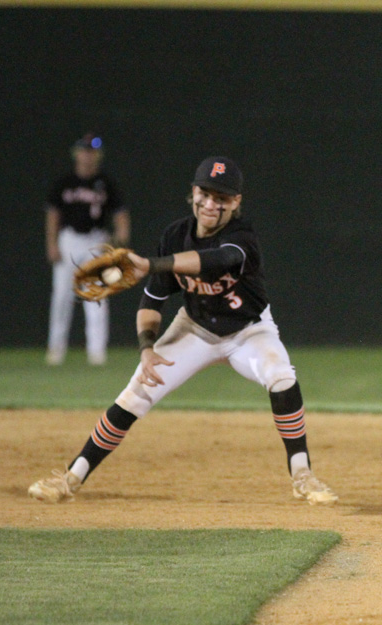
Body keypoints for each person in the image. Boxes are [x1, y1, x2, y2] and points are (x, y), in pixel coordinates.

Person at [29, 156, 337, 506]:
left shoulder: (242, 236)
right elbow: (151, 303)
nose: (210, 203)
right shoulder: (175, 235)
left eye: (221, 198)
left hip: (249, 331)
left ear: (235, 203)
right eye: (204, 193)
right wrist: (147, 349)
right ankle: (71, 478)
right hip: (194, 328)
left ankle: (302, 474)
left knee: (281, 376)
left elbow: (216, 260)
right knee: (134, 394)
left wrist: (151, 264)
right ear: (192, 193)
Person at [45, 133, 131, 366]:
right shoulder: (65, 182)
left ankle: (96, 352)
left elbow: (120, 214)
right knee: (62, 295)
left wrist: (121, 236)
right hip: (69, 238)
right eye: (84, 151)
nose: (87, 156)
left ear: (98, 156)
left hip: (96, 239)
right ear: (77, 154)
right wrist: (52, 243)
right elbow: (53, 215)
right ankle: (55, 349)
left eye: (92, 152)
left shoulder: (106, 183)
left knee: (96, 295)